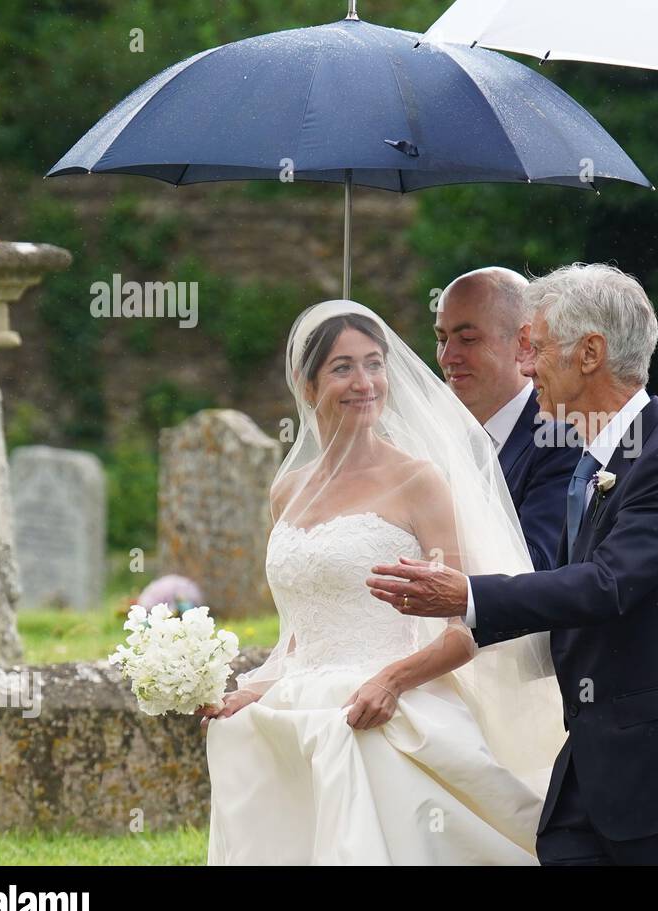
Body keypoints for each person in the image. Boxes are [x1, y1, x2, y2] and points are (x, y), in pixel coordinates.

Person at [368, 263, 658, 866]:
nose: (526, 366)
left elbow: (605, 586)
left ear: (590, 353)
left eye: (537, 347)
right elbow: (558, 593)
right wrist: (426, 645)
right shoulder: (590, 464)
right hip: (594, 773)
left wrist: (467, 596)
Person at [200, 299, 564, 865]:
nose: (364, 382)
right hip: (303, 696)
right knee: (237, 735)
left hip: (395, 698)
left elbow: (467, 627)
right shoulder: (287, 491)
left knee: (353, 749)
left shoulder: (419, 482)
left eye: (375, 364)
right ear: (306, 382)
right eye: (343, 368)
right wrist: (254, 688)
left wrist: (390, 682)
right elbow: (299, 633)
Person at [436, 266, 579, 570]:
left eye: (468, 339)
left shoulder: (560, 437)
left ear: (524, 343)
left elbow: (535, 565)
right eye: (441, 338)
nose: (448, 357)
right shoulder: (438, 437)